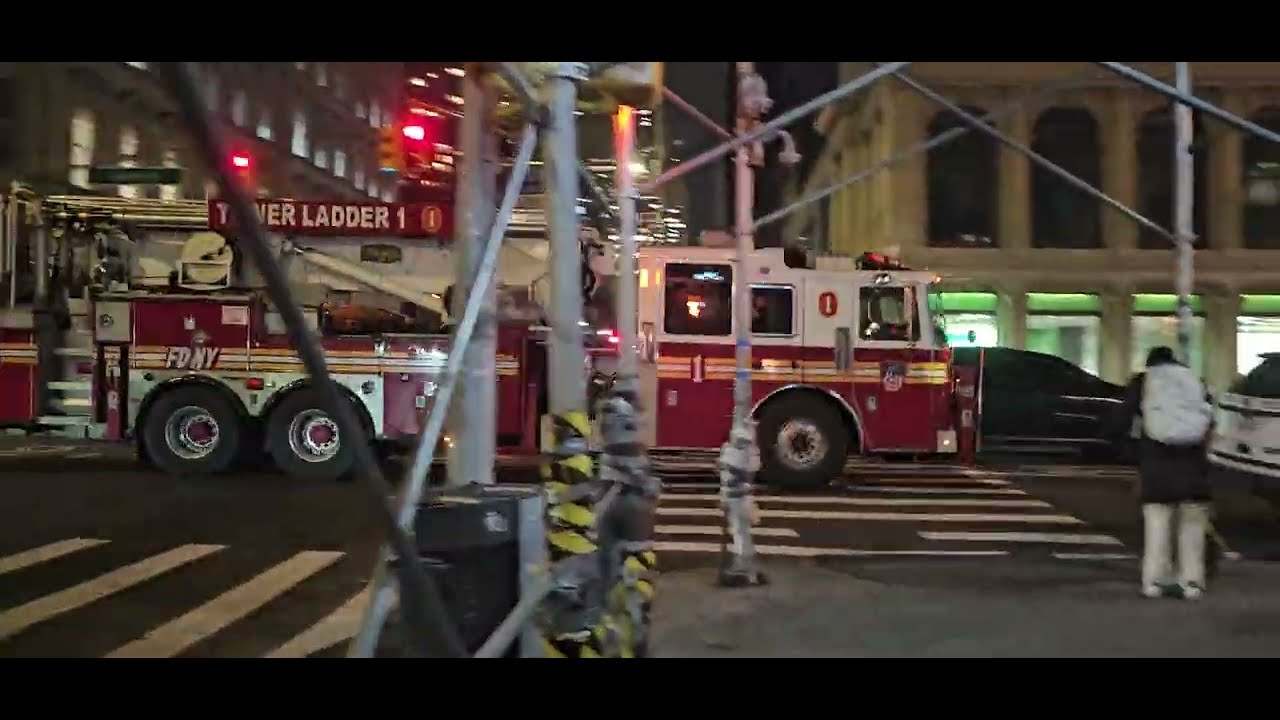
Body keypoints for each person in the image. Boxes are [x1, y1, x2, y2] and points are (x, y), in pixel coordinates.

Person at [1119, 345, 1214, 600]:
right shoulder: (1196, 382)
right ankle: (1192, 582)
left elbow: (1122, 420)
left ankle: (1155, 582)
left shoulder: (1143, 382)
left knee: (1157, 524)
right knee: (1192, 526)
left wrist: (1131, 454)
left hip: (1156, 465)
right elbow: (1210, 421)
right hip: (1193, 465)